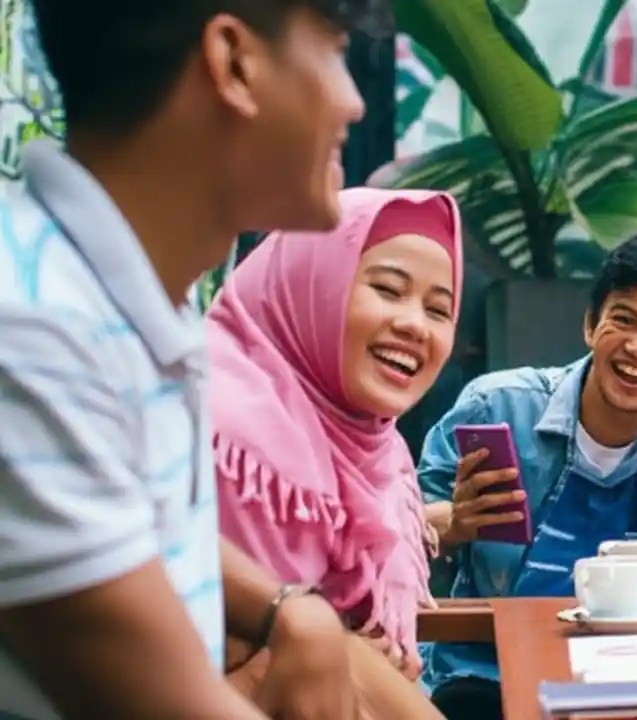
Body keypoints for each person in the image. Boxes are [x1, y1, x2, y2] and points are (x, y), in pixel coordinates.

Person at [0, 2, 380, 718]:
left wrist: (287, 608)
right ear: (233, 61)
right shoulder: (34, 337)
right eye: (333, 50)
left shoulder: (134, 293)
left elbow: (138, 516)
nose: (353, 99)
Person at [418, 227, 637, 719]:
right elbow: (393, 537)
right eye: (623, 321)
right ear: (590, 325)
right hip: (485, 677)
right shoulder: (495, 405)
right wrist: (453, 522)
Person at [208, 188, 461, 717]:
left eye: (439, 310)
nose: (416, 324)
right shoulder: (232, 431)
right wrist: (336, 646)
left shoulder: (379, 448)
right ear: (312, 285)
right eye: (389, 289)